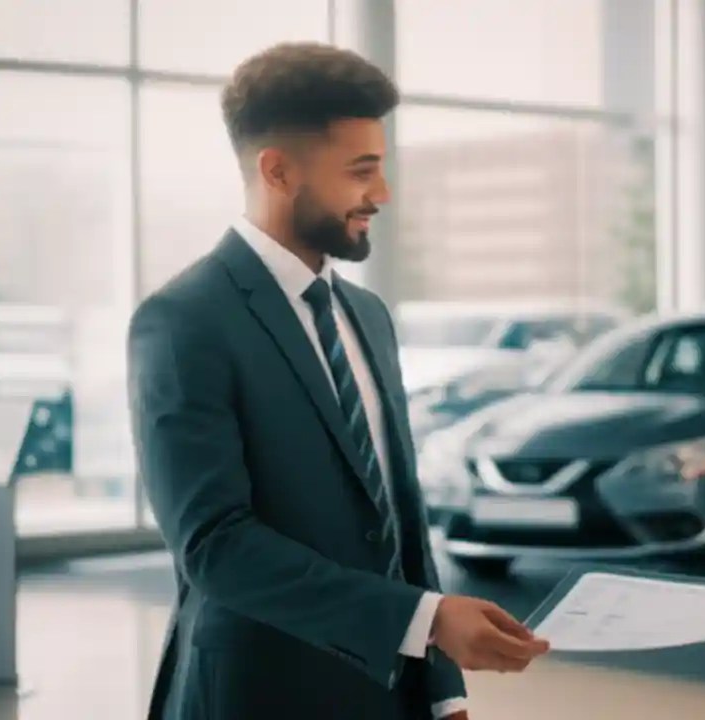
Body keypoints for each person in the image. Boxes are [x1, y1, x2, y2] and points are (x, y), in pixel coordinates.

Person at [128, 43, 548, 720]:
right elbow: (215, 545)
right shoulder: (183, 321)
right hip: (256, 698)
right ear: (278, 170)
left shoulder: (368, 316)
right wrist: (429, 619)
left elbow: (399, 517)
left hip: (389, 697)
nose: (381, 194)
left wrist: (441, 694)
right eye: (361, 172)